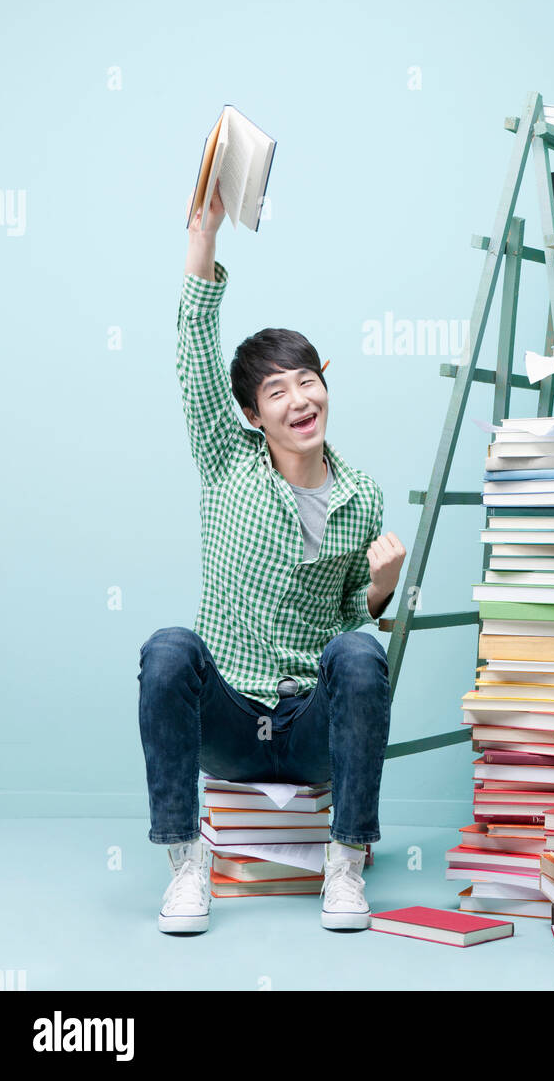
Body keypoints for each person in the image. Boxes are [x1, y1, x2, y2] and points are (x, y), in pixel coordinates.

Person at [138, 179, 406, 934]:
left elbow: (356, 619)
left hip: (308, 724)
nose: (298, 399)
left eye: (308, 381)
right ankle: (187, 863)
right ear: (254, 416)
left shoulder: (363, 494)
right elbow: (195, 356)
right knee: (166, 648)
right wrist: (203, 242)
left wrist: (382, 590)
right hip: (232, 722)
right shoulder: (228, 461)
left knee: (358, 651)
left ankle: (345, 863)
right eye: (277, 391)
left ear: (326, 390)